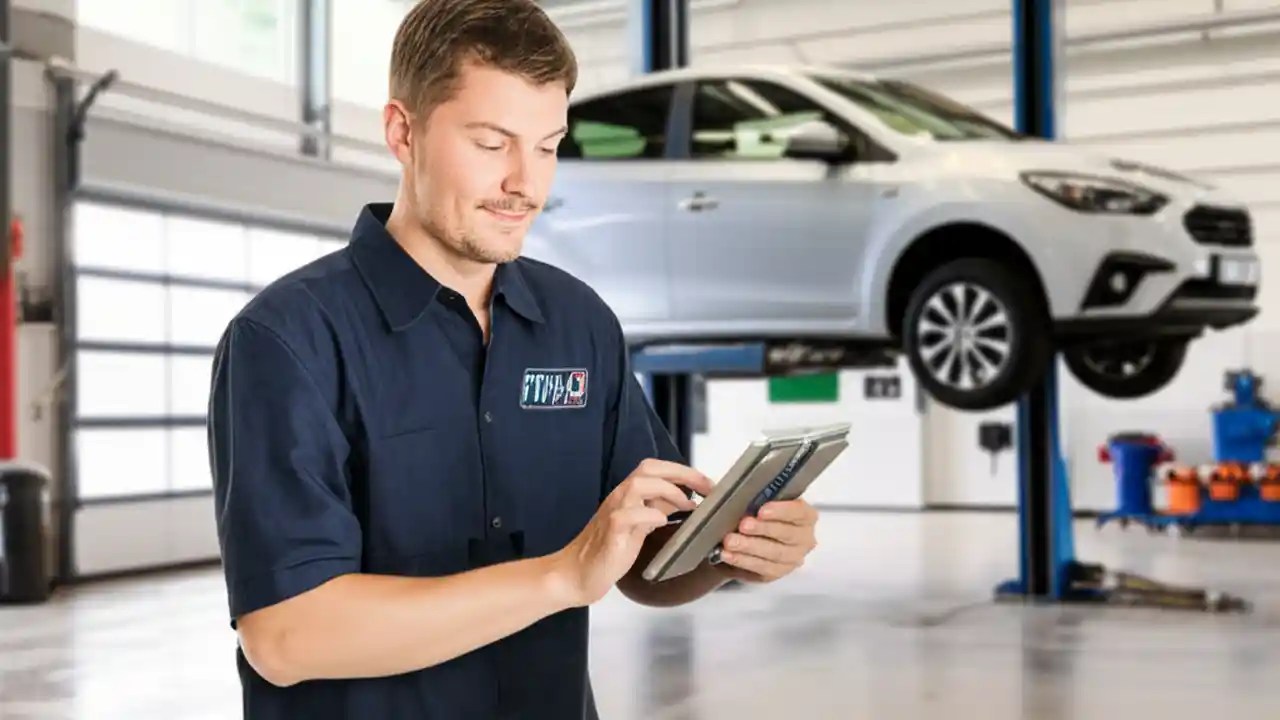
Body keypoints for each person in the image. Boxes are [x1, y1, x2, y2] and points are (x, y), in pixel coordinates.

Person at [205, 0, 821, 717]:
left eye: (549, 145)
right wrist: (560, 576)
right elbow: (285, 636)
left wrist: (730, 548)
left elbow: (642, 560)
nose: (526, 183)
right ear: (402, 132)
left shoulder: (578, 324)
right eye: (493, 144)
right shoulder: (288, 340)